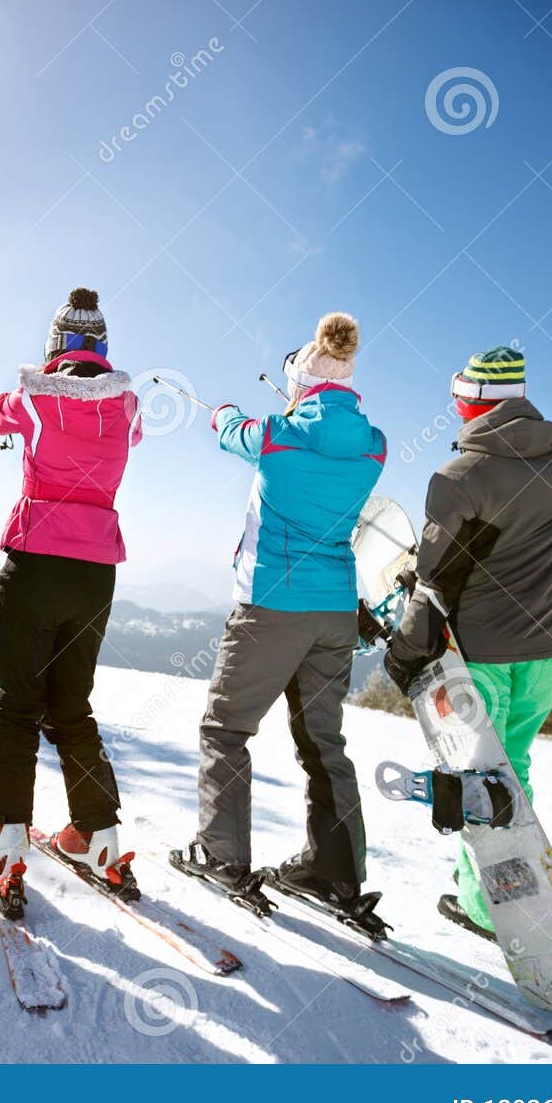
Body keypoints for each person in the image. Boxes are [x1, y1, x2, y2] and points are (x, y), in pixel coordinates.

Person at [384, 349, 552, 939]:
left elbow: (434, 584)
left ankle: (487, 905)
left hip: (480, 652)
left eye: (457, 392)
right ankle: (503, 887)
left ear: (472, 400)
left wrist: (405, 652)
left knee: (480, 779)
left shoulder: (460, 478)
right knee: (514, 767)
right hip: (545, 649)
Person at [176, 312, 386, 908]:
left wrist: (222, 412)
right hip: (336, 610)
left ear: (301, 383)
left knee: (225, 728)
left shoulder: (275, 433)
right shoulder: (374, 447)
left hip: (270, 604)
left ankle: (222, 855)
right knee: (324, 742)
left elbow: (229, 429)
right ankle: (336, 871)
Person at [0, 289, 143, 915]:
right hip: (95, 571)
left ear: (56, 348)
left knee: (18, 705)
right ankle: (99, 837)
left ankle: (9, 842)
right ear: (102, 350)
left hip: (37, 562)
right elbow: (135, 433)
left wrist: (32, 389)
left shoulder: (37, 398)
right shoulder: (125, 405)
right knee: (72, 706)